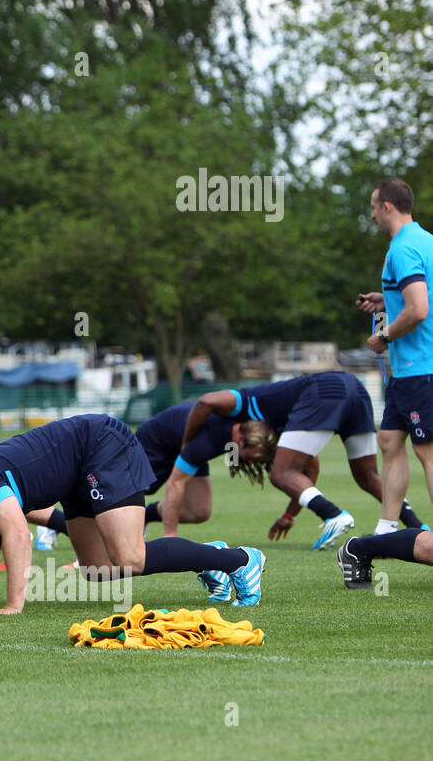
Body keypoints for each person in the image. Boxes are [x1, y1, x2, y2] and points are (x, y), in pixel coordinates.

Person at [0, 414, 266, 611]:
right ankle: (205, 556)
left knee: (129, 556)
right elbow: (32, 513)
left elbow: (16, 531)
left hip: (100, 445)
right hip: (74, 473)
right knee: (98, 569)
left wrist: (13, 605)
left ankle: (241, 560)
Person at [180, 371, 418, 550]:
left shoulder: (242, 404)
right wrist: (289, 516)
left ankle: (334, 515)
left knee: (281, 474)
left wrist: (186, 441)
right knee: (368, 476)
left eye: (240, 450)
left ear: (240, 435)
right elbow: (310, 469)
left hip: (325, 389)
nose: (246, 458)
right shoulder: (281, 428)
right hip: (355, 389)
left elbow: (206, 401)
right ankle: (418, 527)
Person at [342, 177, 433, 586]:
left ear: (388, 207)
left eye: (374, 206)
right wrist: (385, 299)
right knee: (389, 442)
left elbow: (417, 309)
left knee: (429, 453)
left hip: (420, 366)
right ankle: (385, 530)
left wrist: (383, 336)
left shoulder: (402, 248)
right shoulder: (424, 240)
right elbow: (414, 296)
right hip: (408, 371)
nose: (372, 213)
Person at [135, 400, 280, 537]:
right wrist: (170, 534)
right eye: (249, 457)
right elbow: (175, 483)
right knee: (135, 491)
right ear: (240, 440)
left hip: (187, 446)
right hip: (155, 443)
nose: (249, 463)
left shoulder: (242, 429)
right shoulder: (207, 442)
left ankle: (145, 515)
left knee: (200, 511)